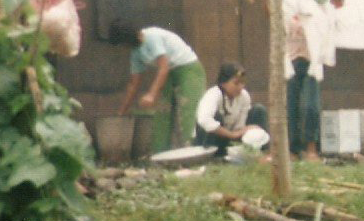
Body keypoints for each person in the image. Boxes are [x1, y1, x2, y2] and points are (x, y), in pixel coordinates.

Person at [110, 22, 206, 153]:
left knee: (187, 112)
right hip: (169, 74)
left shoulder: (151, 37)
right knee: (162, 112)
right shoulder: (135, 52)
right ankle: (159, 157)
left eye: (121, 44)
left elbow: (163, 67)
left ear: (127, 39)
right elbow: (134, 83)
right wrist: (122, 110)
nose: (122, 48)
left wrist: (151, 94)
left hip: (188, 70)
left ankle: (192, 153)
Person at [283, 0, 342, 161]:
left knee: (310, 106)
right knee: (291, 106)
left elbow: (339, 4)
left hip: (311, 63)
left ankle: (311, 148)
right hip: (291, 62)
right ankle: (292, 149)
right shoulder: (286, 13)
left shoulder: (318, 14)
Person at [195, 62, 269, 157]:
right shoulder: (213, 94)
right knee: (216, 116)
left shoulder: (244, 96)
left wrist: (245, 131)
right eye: (236, 83)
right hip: (210, 139)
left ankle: (261, 151)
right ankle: (215, 155)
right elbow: (204, 121)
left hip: (232, 135)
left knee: (259, 110)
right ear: (224, 83)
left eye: (242, 83)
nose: (240, 87)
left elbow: (240, 125)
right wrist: (232, 135)